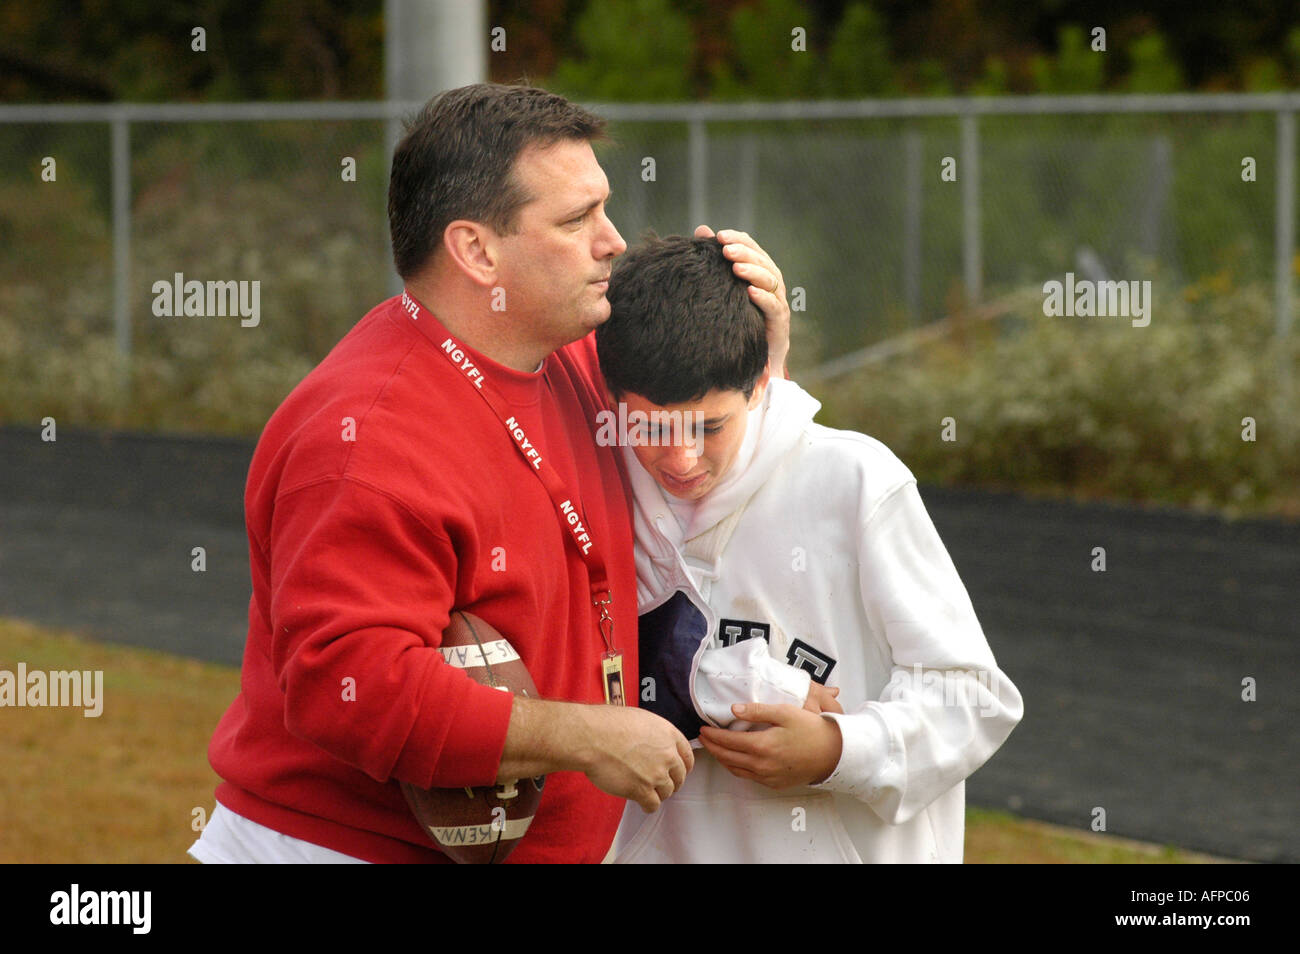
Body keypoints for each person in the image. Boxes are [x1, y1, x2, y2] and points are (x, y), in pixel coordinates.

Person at [187, 84, 791, 864]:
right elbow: (350, 688)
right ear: (476, 252)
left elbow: (702, 480)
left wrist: (759, 351)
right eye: (576, 221)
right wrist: (583, 735)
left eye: (603, 209)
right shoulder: (366, 435)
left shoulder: (571, 355)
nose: (613, 241)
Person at [595, 235, 1024, 863]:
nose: (681, 459)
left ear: (763, 378)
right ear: (612, 399)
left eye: (710, 428)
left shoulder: (854, 483)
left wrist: (837, 750)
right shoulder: (601, 485)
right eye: (652, 428)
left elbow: (974, 697)